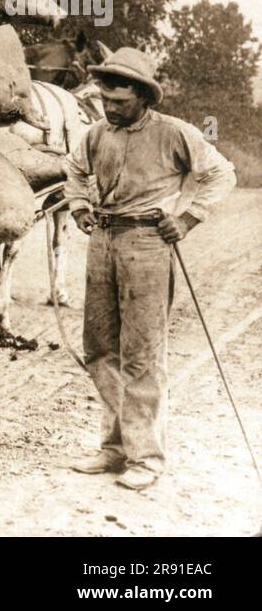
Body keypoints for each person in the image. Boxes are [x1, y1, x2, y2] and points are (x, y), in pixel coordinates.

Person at [62, 47, 236, 490]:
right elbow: (74, 171)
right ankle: (114, 447)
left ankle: (147, 457)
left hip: (148, 243)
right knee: (100, 348)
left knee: (141, 352)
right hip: (102, 240)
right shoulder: (97, 133)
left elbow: (222, 174)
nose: (110, 107)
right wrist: (81, 207)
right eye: (105, 99)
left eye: (119, 101)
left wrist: (188, 217)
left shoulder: (176, 134)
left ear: (143, 97)